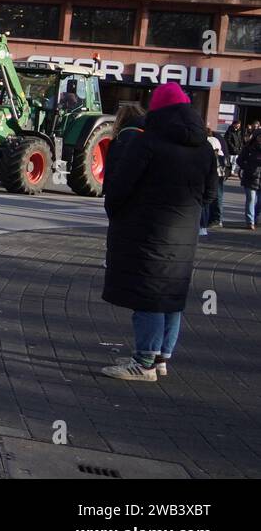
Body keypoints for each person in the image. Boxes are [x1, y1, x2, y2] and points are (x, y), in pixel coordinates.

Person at [101, 83, 216, 382]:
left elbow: (119, 188)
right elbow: (209, 195)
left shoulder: (147, 142)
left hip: (147, 231)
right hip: (183, 234)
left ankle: (144, 363)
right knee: (170, 295)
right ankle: (161, 357)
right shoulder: (203, 147)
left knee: (148, 295)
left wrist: (120, 214)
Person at [200, 131, 228, 233]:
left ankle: (211, 220)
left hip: (212, 171)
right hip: (219, 171)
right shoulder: (217, 139)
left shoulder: (208, 141)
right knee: (218, 196)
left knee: (210, 198)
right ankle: (216, 219)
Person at [237, 130, 261, 231]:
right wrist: (247, 167)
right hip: (250, 177)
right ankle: (250, 221)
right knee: (251, 199)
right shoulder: (248, 148)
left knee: (259, 202)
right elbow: (239, 160)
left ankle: (255, 218)